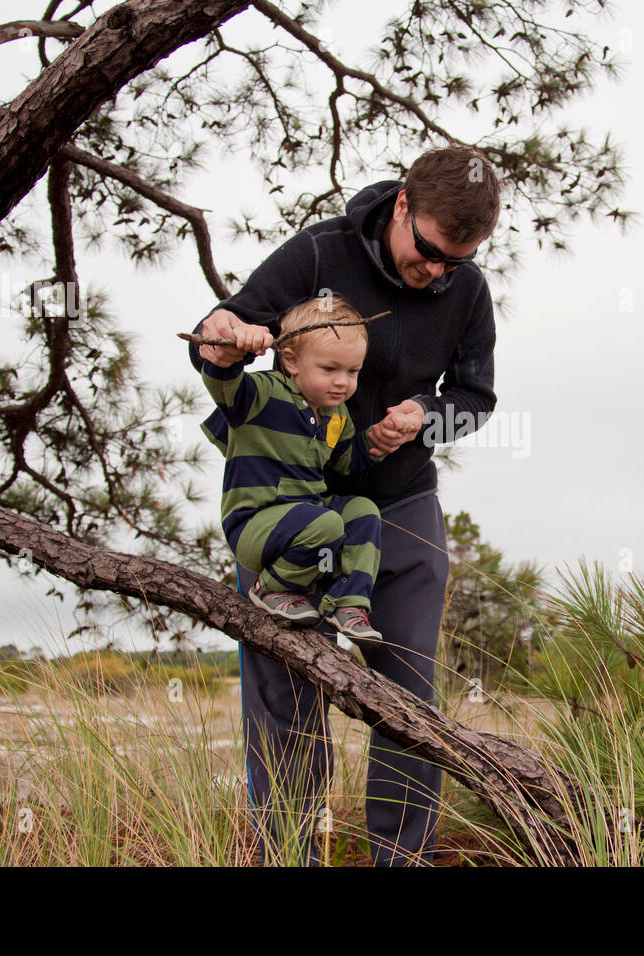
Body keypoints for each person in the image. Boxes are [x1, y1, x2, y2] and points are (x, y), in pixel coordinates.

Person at [187, 144, 501, 866]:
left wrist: (427, 414)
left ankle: (403, 857)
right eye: (429, 252)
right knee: (286, 696)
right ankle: (288, 856)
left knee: (409, 699)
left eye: (458, 260)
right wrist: (225, 342)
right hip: (290, 506)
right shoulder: (320, 252)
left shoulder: (466, 289)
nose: (438, 272)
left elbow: (476, 399)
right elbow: (221, 336)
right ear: (401, 206)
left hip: (401, 508)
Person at [197, 294, 391, 643]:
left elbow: (348, 462)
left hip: (310, 518)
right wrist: (233, 354)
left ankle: (348, 603)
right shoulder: (261, 395)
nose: (342, 382)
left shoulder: (336, 414)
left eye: (352, 371)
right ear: (291, 361)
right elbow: (222, 383)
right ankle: (271, 589)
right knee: (327, 522)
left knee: (364, 511)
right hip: (255, 524)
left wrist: (379, 441)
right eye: (330, 369)